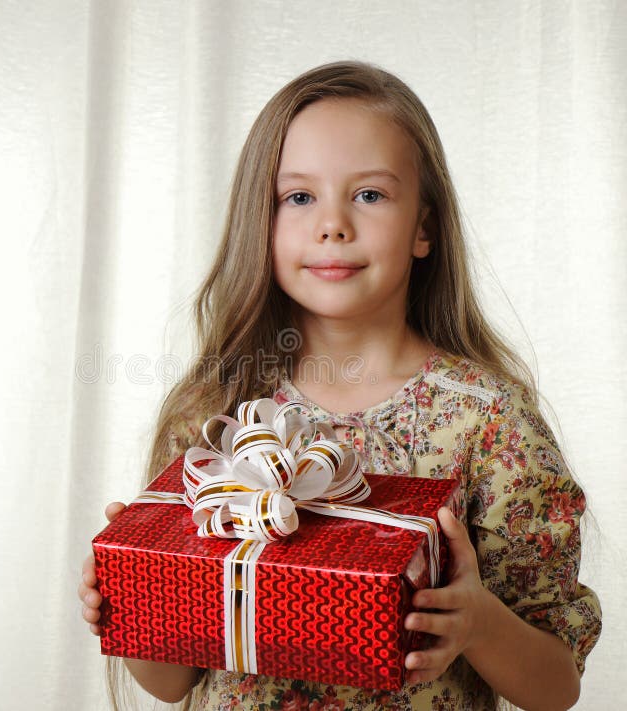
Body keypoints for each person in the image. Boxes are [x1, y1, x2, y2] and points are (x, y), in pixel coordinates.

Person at [78, 61, 601, 710]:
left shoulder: (488, 422)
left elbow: (556, 685)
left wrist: (476, 620)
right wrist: (136, 597)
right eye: (299, 197)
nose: (333, 224)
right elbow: (170, 681)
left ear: (425, 227)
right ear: (261, 222)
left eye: (370, 195)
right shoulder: (215, 412)